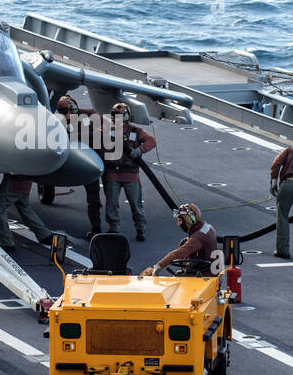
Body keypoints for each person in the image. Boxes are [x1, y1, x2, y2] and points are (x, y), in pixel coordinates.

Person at [103, 102, 155, 241]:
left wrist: (139, 150)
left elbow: (151, 141)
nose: (116, 119)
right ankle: (113, 227)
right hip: (112, 173)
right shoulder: (107, 130)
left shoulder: (135, 131)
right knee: (111, 203)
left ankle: (141, 229)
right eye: (114, 116)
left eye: (119, 116)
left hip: (130, 174)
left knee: (136, 204)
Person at [57, 95, 103, 237]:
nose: (65, 115)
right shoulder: (61, 121)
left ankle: (97, 229)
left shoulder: (90, 114)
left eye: (66, 111)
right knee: (93, 199)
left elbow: (103, 129)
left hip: (91, 161)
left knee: (94, 199)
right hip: (73, 160)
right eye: (62, 112)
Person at [142, 203, 219, 276]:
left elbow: (178, 253)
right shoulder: (207, 227)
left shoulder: (198, 237)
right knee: (185, 242)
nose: (178, 224)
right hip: (212, 271)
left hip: (206, 276)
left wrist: (158, 267)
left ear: (189, 220)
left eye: (180, 221)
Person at [0, 174, 53, 249]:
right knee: (24, 206)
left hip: (14, 178)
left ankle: (7, 243)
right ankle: (45, 235)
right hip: (27, 179)